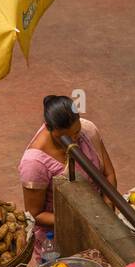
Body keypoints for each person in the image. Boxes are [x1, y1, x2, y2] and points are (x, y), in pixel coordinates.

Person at [20, 97, 118, 255]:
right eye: (65, 137)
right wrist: (81, 221)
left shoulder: (88, 131)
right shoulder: (34, 164)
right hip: (58, 239)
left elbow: (108, 174)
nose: (74, 140)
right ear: (49, 128)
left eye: (77, 132)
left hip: (98, 223)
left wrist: (107, 207)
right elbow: (35, 214)